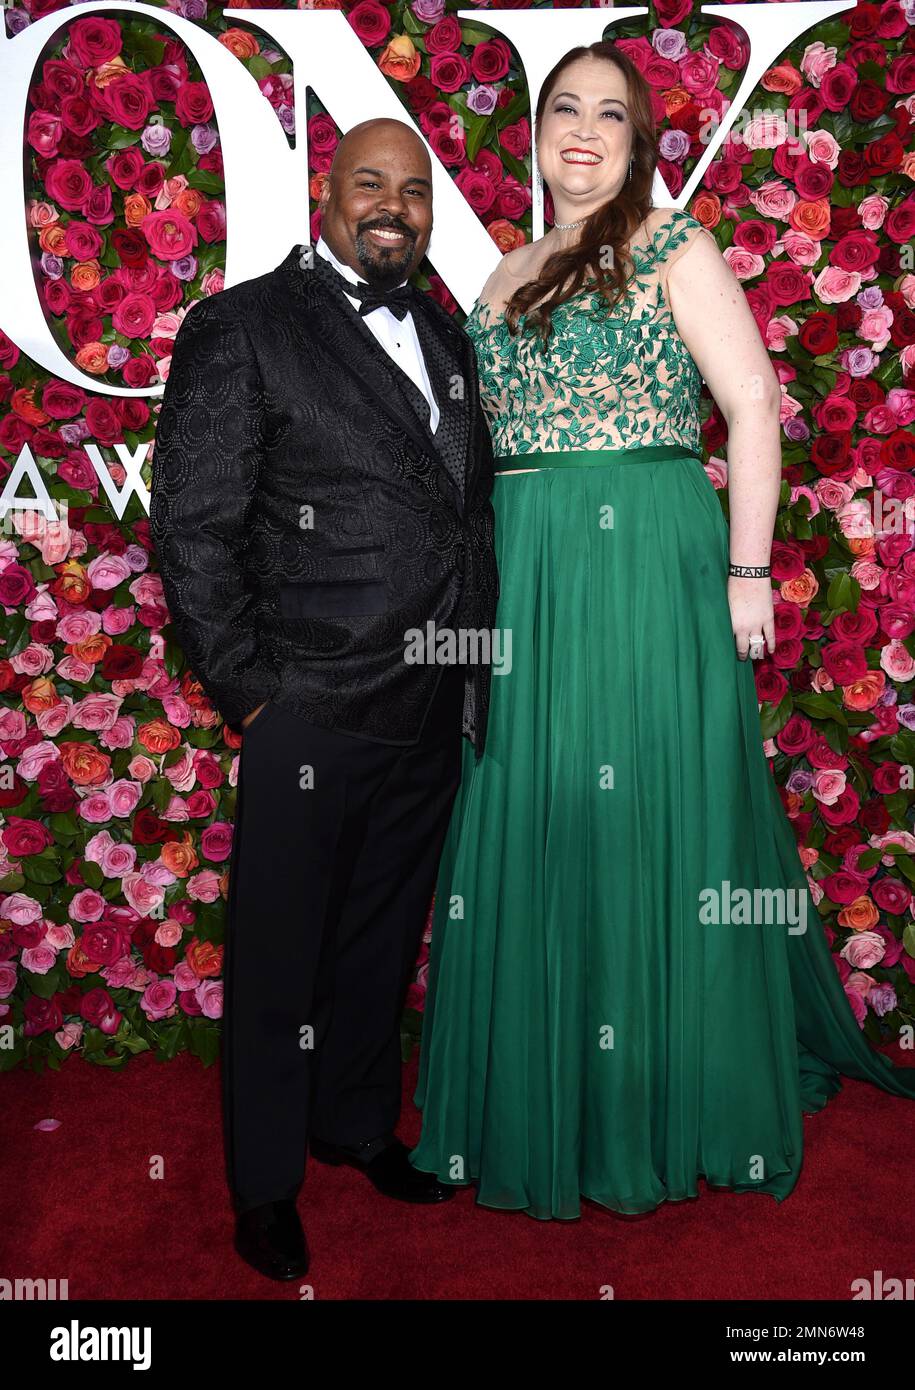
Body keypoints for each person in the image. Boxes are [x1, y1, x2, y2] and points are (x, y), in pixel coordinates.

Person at [410, 41, 915, 1221]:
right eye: (564, 111)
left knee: (650, 810)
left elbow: (751, 405)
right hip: (528, 570)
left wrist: (748, 572)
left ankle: (663, 1092)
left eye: (612, 118)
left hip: (650, 556)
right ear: (532, 134)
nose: (584, 133)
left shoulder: (672, 246)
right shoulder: (496, 276)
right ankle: (551, 1098)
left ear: (640, 146)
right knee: (535, 806)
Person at [150, 117, 498, 1276]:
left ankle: (353, 1124)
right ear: (327, 195)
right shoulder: (243, 325)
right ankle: (264, 1183)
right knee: (281, 953)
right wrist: (257, 695)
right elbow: (194, 529)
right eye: (369, 184)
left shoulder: (444, 336)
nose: (394, 206)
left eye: (414, 190)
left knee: (378, 941)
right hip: (312, 703)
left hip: (431, 701)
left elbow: (462, 513)